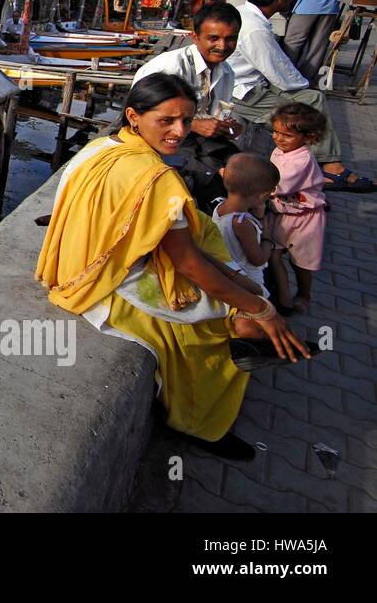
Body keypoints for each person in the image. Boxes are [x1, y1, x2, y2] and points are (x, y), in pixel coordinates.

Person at [37, 74, 310, 461]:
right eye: (166, 121)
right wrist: (259, 308)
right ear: (134, 116)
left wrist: (235, 281)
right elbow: (187, 262)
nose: (179, 131)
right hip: (106, 279)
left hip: (74, 261)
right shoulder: (157, 179)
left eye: (186, 120)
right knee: (213, 327)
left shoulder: (99, 148)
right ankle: (199, 423)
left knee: (236, 293)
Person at [227, 0, 374, 192]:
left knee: (311, 98)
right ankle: (330, 167)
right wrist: (304, 85)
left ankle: (324, 164)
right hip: (242, 93)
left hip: (248, 84)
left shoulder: (246, 15)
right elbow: (280, 71)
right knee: (311, 100)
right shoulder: (254, 27)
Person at [130, 1, 241, 207]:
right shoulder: (171, 66)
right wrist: (196, 125)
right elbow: (143, 116)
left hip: (192, 139)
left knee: (241, 166)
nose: (222, 46)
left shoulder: (226, 72)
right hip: (157, 138)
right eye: (213, 38)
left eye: (230, 39)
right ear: (195, 37)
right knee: (207, 178)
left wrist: (227, 127)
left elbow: (217, 114)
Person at [265, 103, 328, 316]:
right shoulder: (280, 150)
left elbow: (275, 184)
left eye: (286, 135)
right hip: (281, 214)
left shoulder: (301, 161)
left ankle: (303, 294)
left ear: (308, 138)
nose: (278, 138)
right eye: (275, 132)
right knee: (273, 254)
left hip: (305, 219)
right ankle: (282, 297)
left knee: (302, 263)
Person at [212, 153, 279, 295]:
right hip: (246, 280)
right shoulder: (241, 223)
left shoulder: (220, 206)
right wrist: (268, 240)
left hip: (225, 270)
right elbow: (258, 259)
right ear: (262, 195)